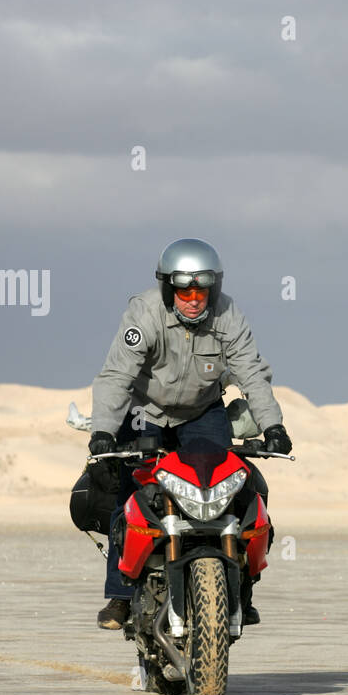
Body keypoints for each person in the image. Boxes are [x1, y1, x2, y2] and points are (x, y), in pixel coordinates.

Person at [86, 238, 292, 630]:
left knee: (240, 485)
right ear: (168, 287)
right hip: (147, 411)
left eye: (203, 289)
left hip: (202, 412)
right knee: (128, 491)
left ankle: (242, 591)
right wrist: (103, 434)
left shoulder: (227, 314)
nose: (194, 299)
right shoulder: (144, 314)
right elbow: (116, 377)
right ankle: (120, 595)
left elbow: (252, 373)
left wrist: (273, 426)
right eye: (185, 289)